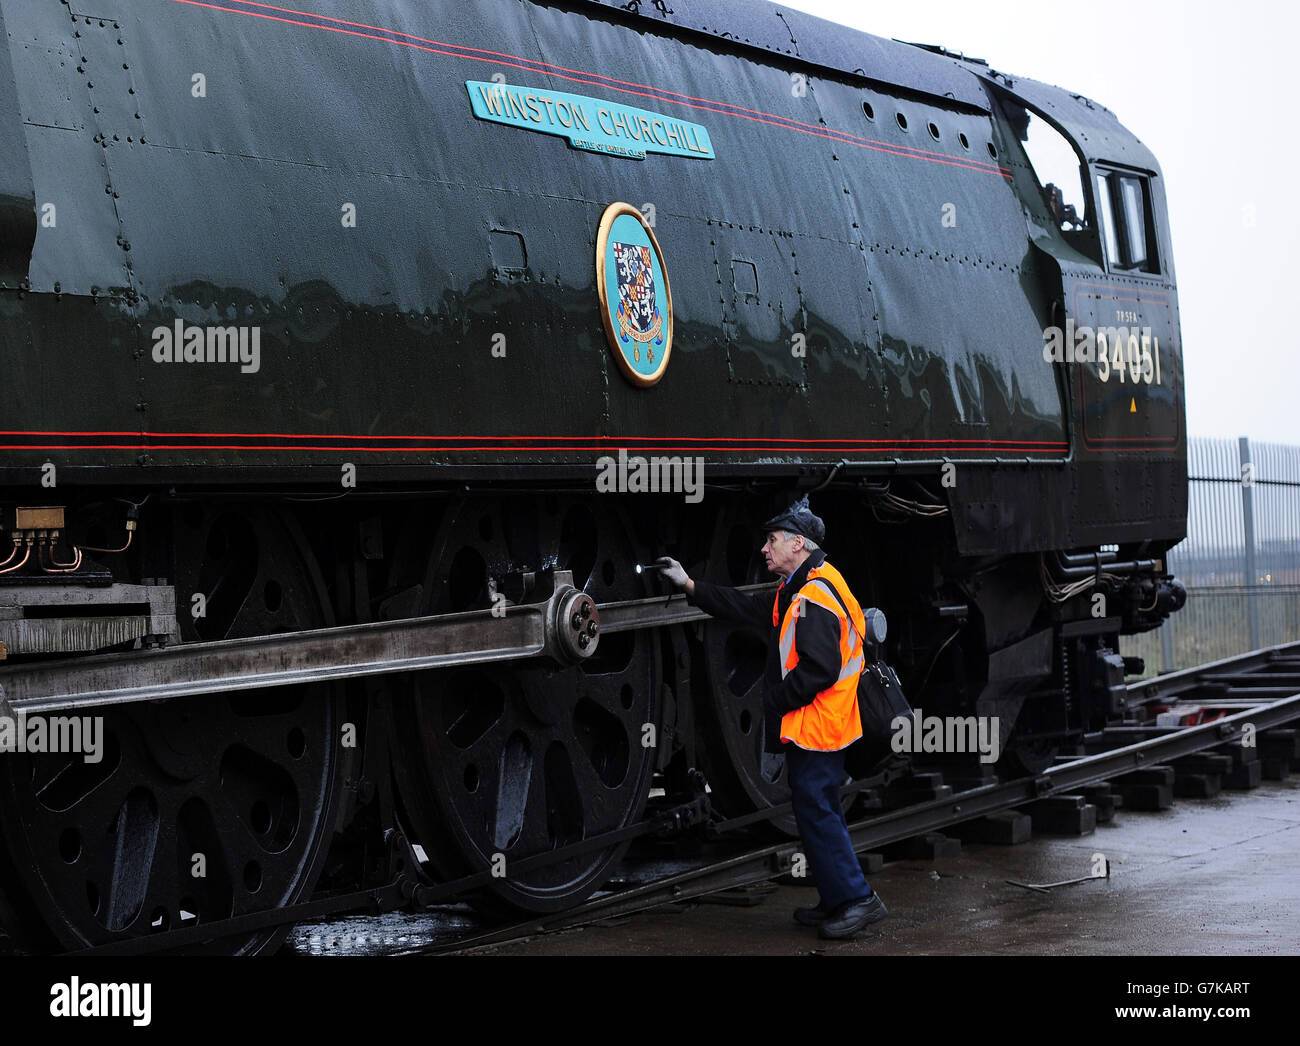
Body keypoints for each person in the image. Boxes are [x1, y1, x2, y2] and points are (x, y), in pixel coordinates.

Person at [657, 495, 888, 940]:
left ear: (798, 543)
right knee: (818, 810)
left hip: (820, 726)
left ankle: (858, 899)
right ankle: (838, 898)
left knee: (818, 811)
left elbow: (819, 669)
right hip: (821, 724)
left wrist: (776, 701)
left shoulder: (815, 596)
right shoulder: (803, 587)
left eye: (772, 540)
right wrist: (690, 585)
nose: (764, 549)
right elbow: (748, 610)